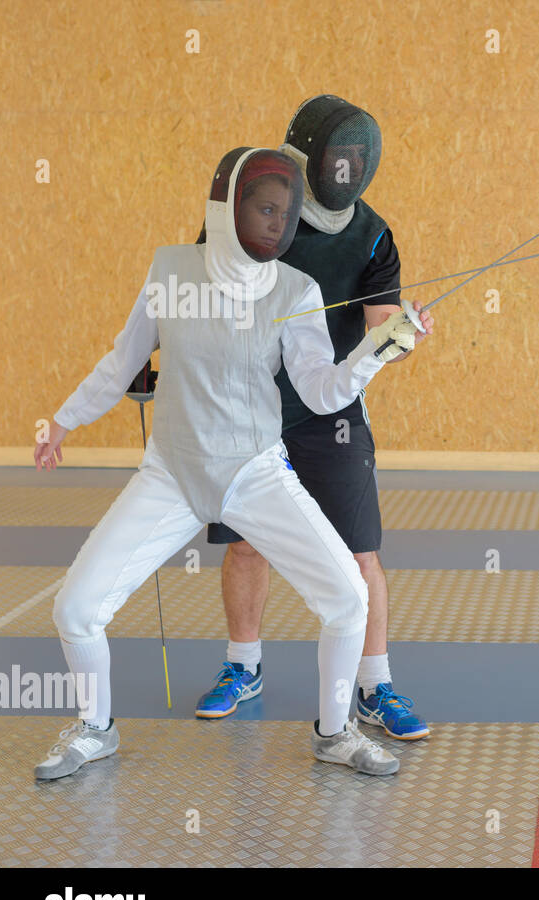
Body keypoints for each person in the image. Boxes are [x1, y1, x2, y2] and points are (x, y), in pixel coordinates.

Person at [32, 147, 422, 780]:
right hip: (171, 475)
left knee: (349, 597)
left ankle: (333, 731)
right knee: (75, 609)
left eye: (286, 214)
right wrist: (65, 421)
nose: (277, 224)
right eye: (264, 209)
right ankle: (93, 728)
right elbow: (122, 359)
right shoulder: (170, 272)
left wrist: (376, 350)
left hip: (255, 473)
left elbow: (323, 391)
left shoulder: (297, 290)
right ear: (226, 206)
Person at [195, 96, 432, 741]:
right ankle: (242, 667)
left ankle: (374, 684)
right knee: (248, 544)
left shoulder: (373, 234)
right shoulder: (253, 207)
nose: (347, 168)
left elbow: (379, 330)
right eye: (339, 157)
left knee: (360, 553)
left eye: (357, 160)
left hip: (329, 411)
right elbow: (199, 293)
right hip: (247, 407)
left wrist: (399, 336)